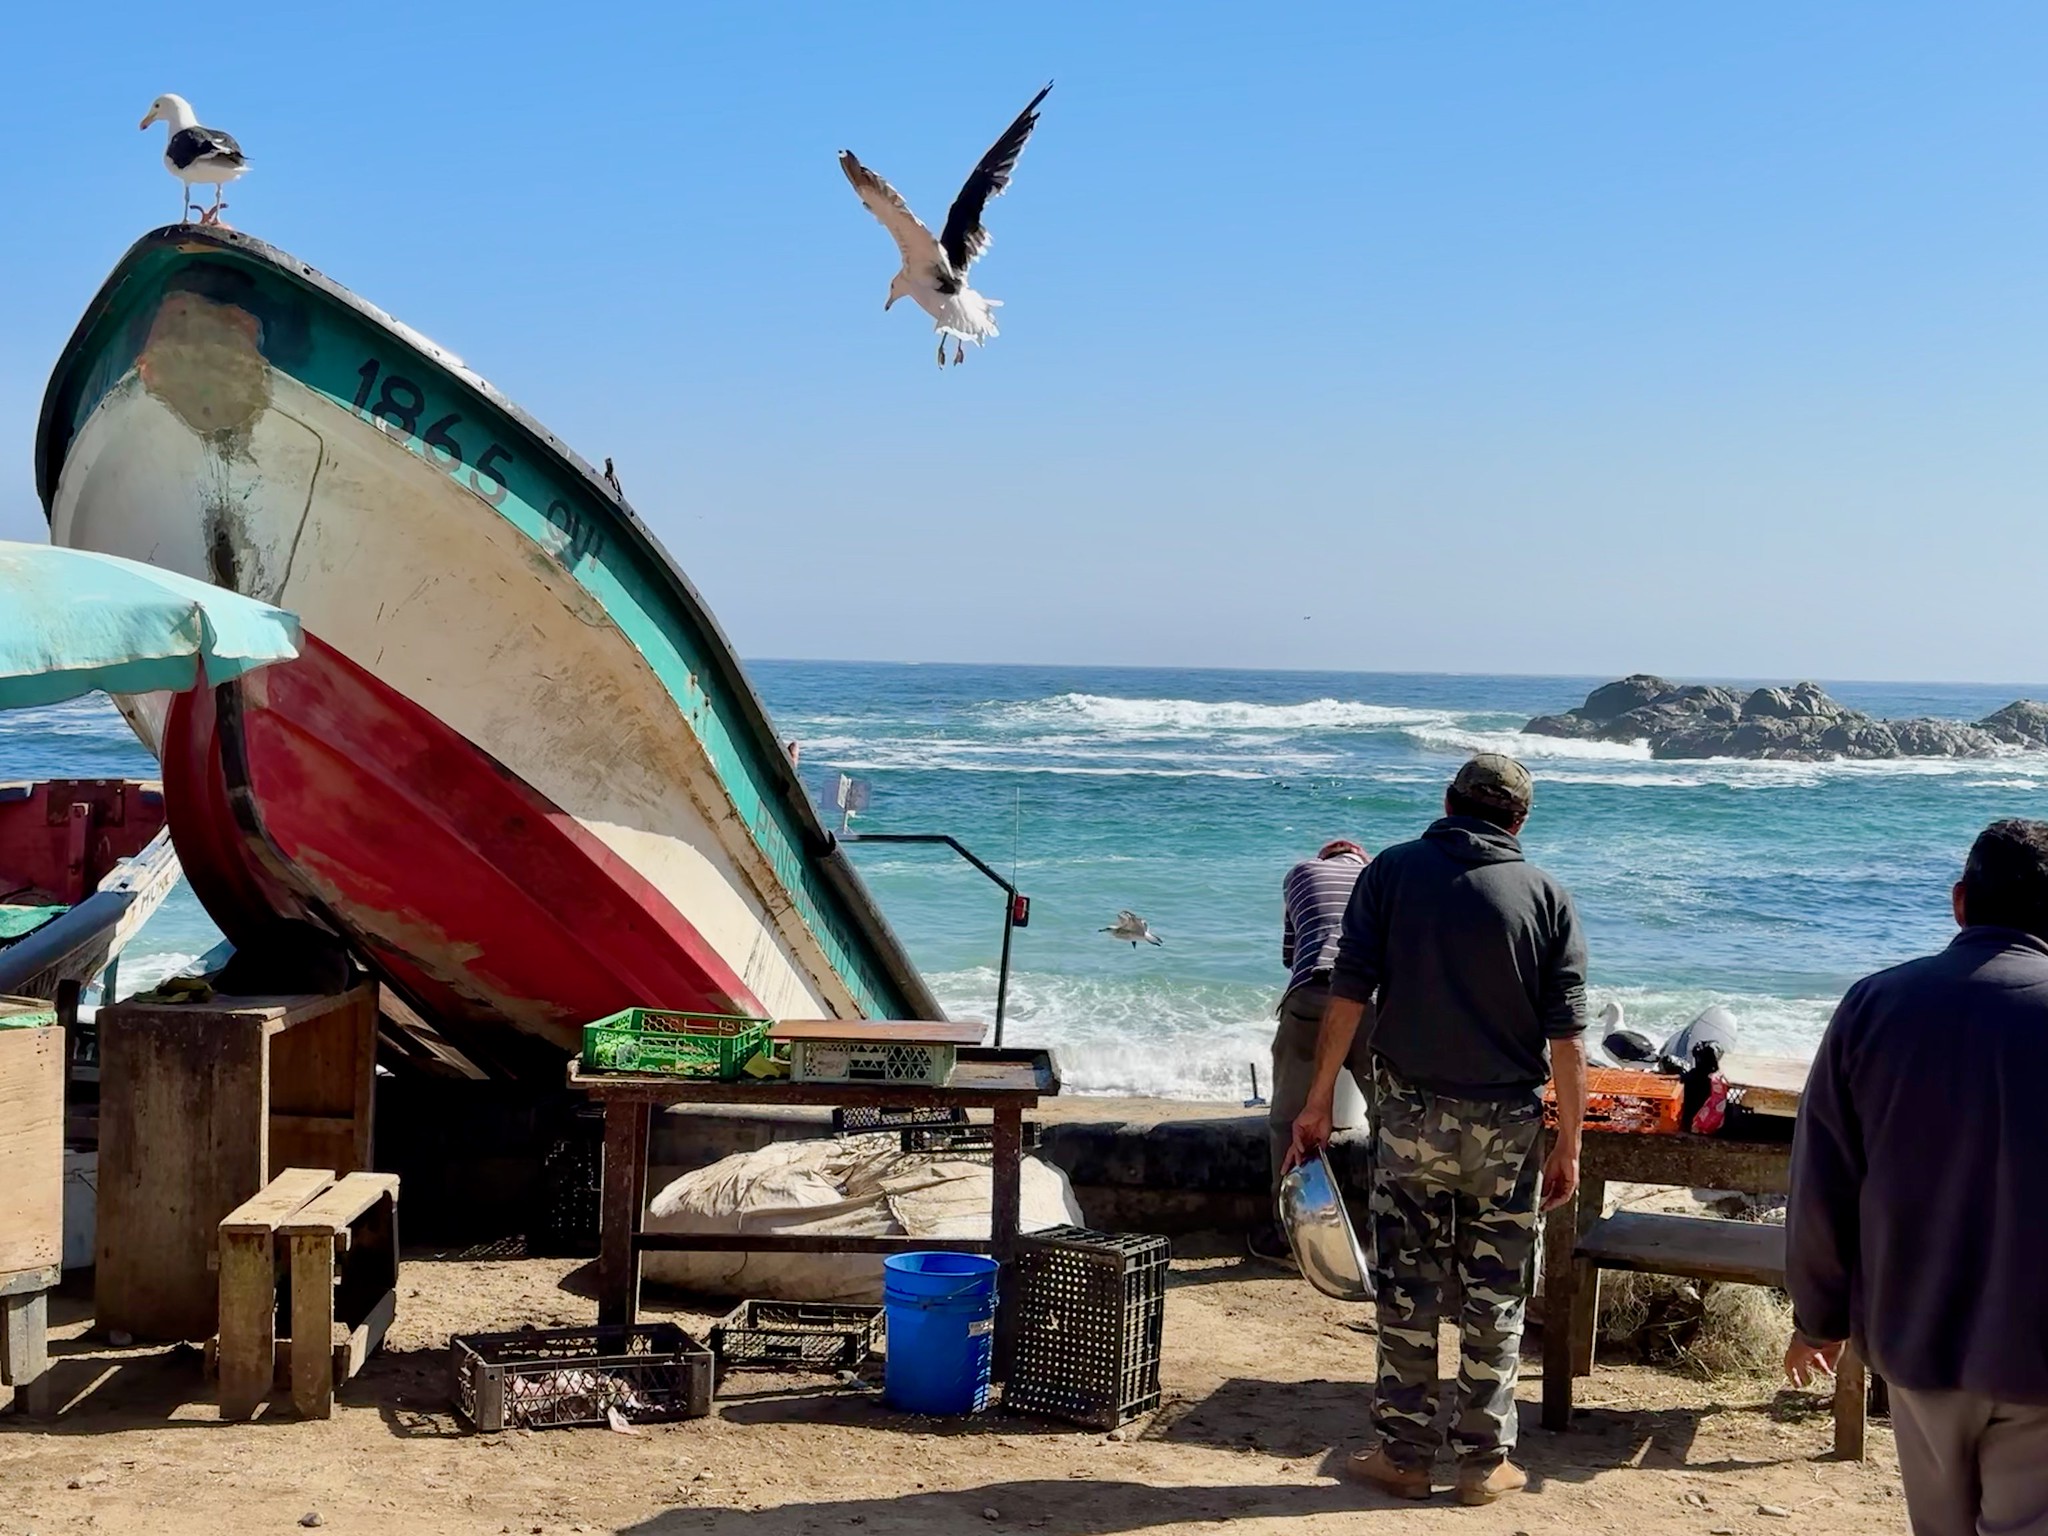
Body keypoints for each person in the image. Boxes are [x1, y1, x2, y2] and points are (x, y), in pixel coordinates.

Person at [1289, 753, 1588, 1507]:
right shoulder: (1547, 894)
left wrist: (1319, 1099)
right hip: (1508, 1125)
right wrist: (1571, 1144)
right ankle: (1485, 1463)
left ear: (1449, 802)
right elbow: (1569, 1038)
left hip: (1412, 1118)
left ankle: (1405, 1455)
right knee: (1498, 1293)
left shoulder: (1390, 873)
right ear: (1519, 820)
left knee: (1408, 1286)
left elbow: (1347, 993)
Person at [1786, 819, 2048, 1536]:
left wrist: (1819, 1316)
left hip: (1916, 1338)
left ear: (1960, 902)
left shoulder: (1875, 1005)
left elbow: (1822, 1180)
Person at [1263, 839, 1373, 1251]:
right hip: (1372, 999)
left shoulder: (1300, 872)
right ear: (1361, 858)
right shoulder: (1379, 874)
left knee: (1288, 1120)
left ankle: (1291, 1239)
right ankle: (1390, 1235)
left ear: (1323, 857)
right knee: (1390, 1122)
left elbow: (1292, 956)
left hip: (1314, 990)